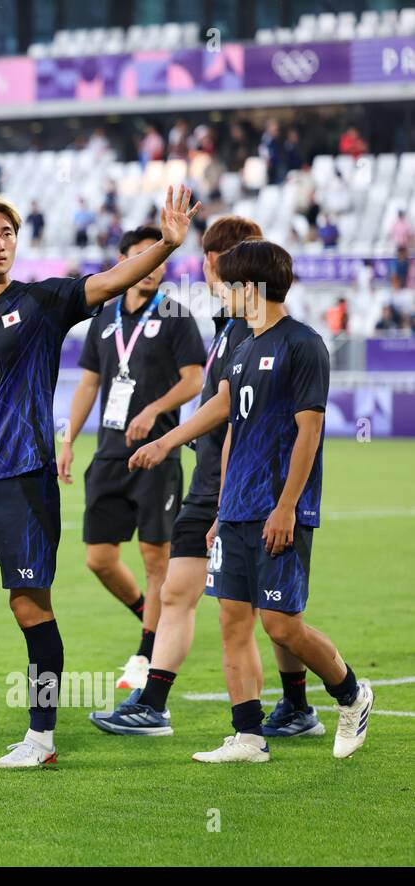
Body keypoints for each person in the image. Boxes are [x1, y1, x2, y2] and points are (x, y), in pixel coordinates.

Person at [0, 186, 200, 771]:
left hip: (24, 482)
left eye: (7, 235)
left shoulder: (44, 301)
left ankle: (41, 740)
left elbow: (109, 281)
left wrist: (166, 247)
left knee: (29, 609)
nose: (0, 244)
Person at [93, 215, 328, 738]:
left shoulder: (261, 330)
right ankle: (155, 703)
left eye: (205, 258)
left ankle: (299, 704)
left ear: (216, 263)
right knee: (183, 591)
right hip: (211, 481)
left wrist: (233, 490)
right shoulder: (231, 326)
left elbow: (237, 414)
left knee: (266, 612)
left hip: (241, 486)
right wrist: (169, 440)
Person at [196, 240, 372, 762]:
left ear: (250, 288)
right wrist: (218, 507)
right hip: (235, 511)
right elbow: (229, 420)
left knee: (280, 625)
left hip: (278, 508)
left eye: (229, 284)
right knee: (232, 620)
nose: (222, 292)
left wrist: (287, 505)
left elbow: (309, 431)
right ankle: (248, 736)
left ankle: (352, 694)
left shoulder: (303, 344)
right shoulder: (244, 345)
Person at [60, 226, 205, 691]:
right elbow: (88, 383)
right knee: (99, 558)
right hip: (107, 454)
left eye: (158, 258)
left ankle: (146, 654)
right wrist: (68, 440)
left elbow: (195, 380)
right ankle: (152, 618)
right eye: (141, 257)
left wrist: (154, 409)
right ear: (123, 261)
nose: (152, 267)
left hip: (156, 453)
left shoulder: (175, 314)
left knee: (154, 557)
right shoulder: (103, 317)